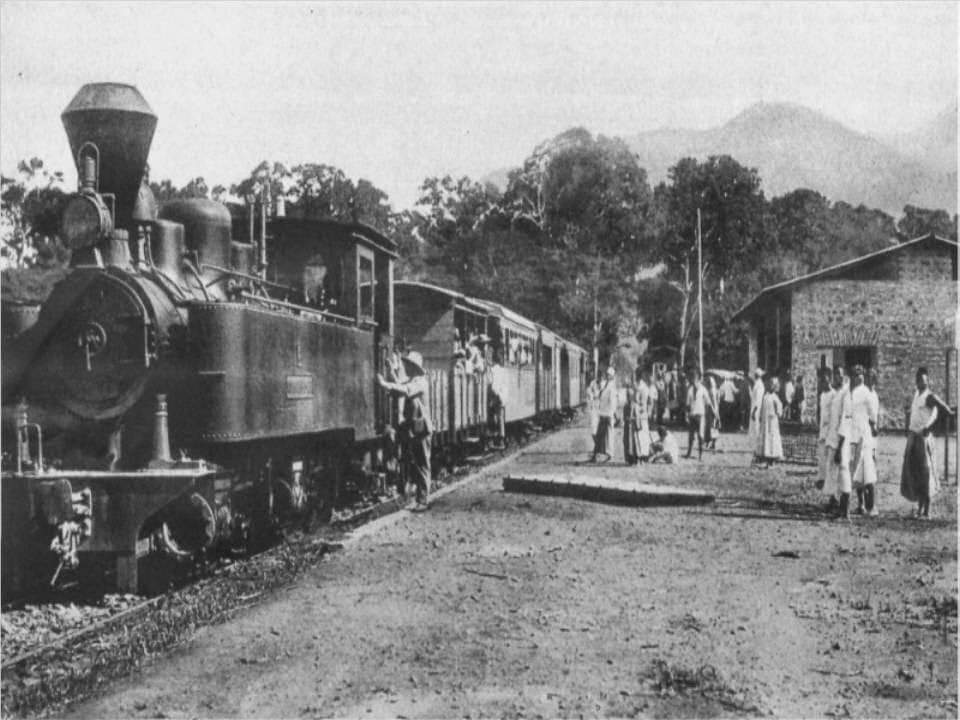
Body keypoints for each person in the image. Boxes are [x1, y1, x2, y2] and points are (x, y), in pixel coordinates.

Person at [377, 350, 432, 510]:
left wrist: (384, 384)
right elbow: (401, 385)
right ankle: (420, 499)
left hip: (422, 429)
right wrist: (391, 371)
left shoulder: (420, 382)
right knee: (419, 464)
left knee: (422, 465)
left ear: (414, 367)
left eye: (408, 365)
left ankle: (423, 501)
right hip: (416, 429)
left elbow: (405, 390)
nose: (405, 367)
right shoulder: (414, 379)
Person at [900, 367, 940, 519]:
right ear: (916, 381)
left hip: (924, 438)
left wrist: (927, 428)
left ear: (927, 381)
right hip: (913, 436)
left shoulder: (930, 396)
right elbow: (912, 414)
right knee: (915, 471)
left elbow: (935, 414)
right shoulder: (917, 394)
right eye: (919, 380)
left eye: (924, 380)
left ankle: (927, 510)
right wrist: (908, 429)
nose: (922, 383)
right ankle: (919, 507)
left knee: (926, 472)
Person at [849, 365, 879, 516]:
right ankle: (860, 504)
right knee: (857, 471)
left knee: (868, 471)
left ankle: (872, 506)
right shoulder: (852, 392)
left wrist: (872, 431)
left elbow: (873, 416)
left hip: (865, 436)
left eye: (860, 374)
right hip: (855, 435)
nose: (858, 377)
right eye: (855, 374)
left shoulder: (867, 393)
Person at [825, 366, 853, 520]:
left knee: (844, 474)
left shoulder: (846, 394)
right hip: (834, 440)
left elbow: (845, 422)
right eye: (836, 375)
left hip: (842, 441)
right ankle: (839, 508)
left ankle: (846, 512)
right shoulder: (837, 394)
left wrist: (840, 446)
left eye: (841, 375)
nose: (838, 378)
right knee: (837, 476)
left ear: (845, 376)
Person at [816, 368, 836, 511]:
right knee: (824, 465)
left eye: (824, 379)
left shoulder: (835, 395)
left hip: (831, 434)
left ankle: (834, 498)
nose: (822, 382)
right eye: (820, 379)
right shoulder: (822, 395)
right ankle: (830, 496)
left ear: (829, 379)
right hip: (823, 434)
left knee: (831, 466)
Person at [591, 366, 617, 463]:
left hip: (608, 414)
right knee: (600, 435)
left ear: (612, 376)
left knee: (608, 435)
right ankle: (597, 454)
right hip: (602, 413)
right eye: (607, 374)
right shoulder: (605, 384)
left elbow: (613, 401)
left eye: (609, 375)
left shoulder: (612, 386)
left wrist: (613, 413)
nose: (607, 376)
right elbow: (599, 395)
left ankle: (609, 454)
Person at [757, 376, 784, 468]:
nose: (771, 387)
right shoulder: (765, 396)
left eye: (773, 385)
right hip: (765, 422)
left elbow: (779, 410)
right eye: (770, 384)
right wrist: (761, 417)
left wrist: (777, 414)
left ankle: (772, 460)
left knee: (772, 440)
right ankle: (766, 458)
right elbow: (761, 408)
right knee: (766, 439)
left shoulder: (775, 398)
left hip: (772, 422)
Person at [684, 367, 707, 460]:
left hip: (700, 415)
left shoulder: (703, 389)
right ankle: (689, 453)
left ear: (698, 378)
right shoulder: (689, 389)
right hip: (692, 415)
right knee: (691, 435)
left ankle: (701, 454)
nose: (693, 380)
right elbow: (687, 404)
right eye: (691, 378)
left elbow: (707, 402)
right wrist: (686, 415)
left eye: (694, 378)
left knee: (700, 435)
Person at [636, 367, 654, 461]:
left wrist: (649, 411)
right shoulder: (636, 386)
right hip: (636, 413)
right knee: (637, 434)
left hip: (643, 413)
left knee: (643, 433)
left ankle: (645, 454)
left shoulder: (645, 387)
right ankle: (638, 453)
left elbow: (650, 401)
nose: (637, 377)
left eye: (639, 375)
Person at [748, 369, 766, 462]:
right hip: (755, 408)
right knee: (754, 430)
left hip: (757, 409)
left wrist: (755, 411)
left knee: (756, 430)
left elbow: (758, 399)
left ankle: (757, 450)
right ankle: (755, 449)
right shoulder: (757, 384)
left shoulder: (759, 385)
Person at [704, 375, 721, 451]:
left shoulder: (711, 391)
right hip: (716, 409)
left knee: (711, 426)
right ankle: (713, 443)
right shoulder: (716, 390)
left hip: (711, 410)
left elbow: (712, 402)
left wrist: (713, 410)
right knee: (714, 426)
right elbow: (718, 401)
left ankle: (711, 443)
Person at [586, 373, 601, 447]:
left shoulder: (604, 384)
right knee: (593, 428)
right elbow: (590, 397)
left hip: (600, 408)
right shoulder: (592, 385)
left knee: (599, 429)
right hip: (594, 409)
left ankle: (599, 446)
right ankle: (597, 444)